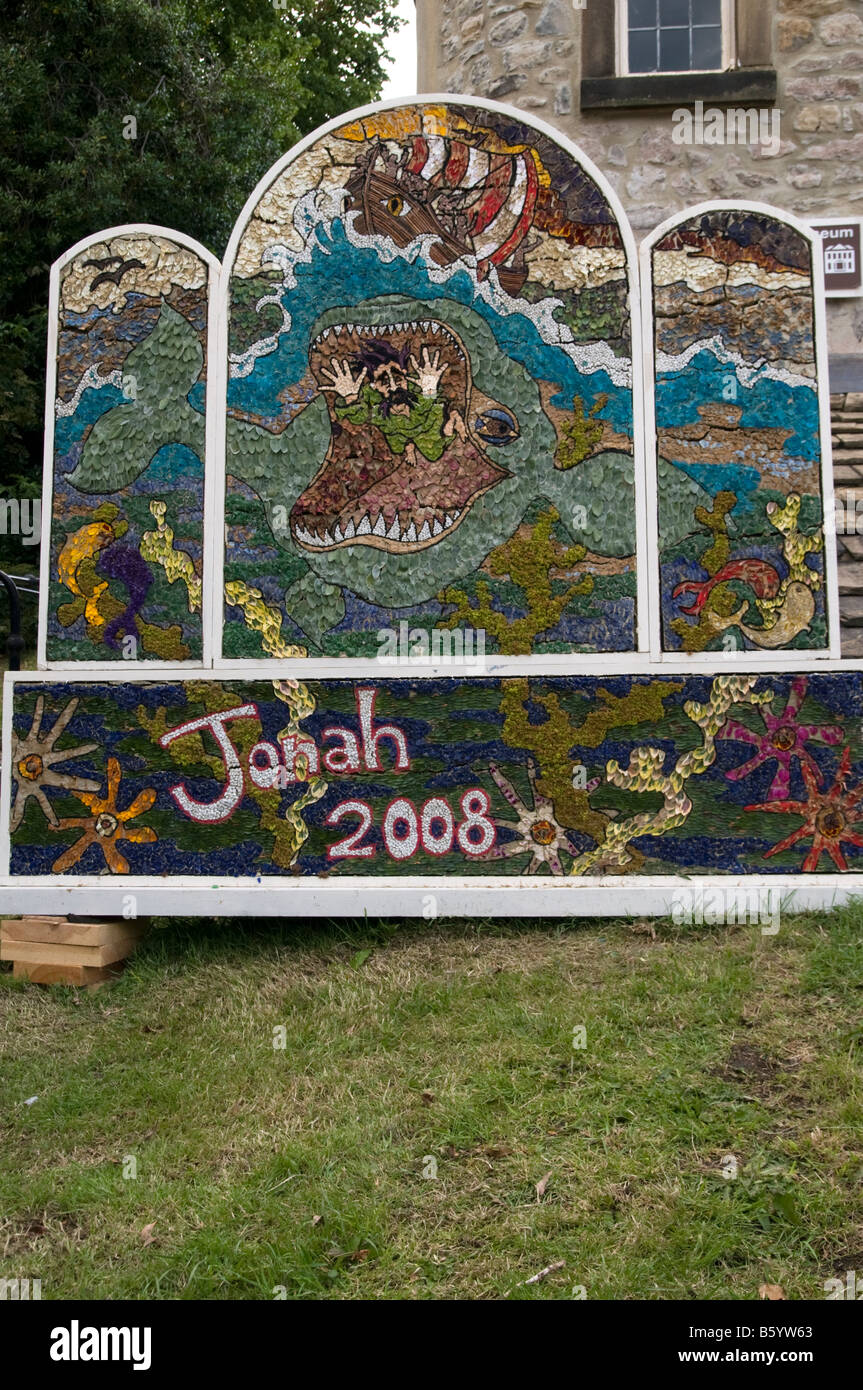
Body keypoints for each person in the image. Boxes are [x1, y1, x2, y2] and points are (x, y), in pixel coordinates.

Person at [319, 337, 466, 465]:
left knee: (433, 453)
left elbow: (431, 403)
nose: (394, 387)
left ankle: (452, 419)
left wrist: (429, 391)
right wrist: (350, 397)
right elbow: (360, 417)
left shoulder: (416, 386)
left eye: (397, 379)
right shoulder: (375, 404)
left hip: (428, 425)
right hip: (397, 434)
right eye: (385, 382)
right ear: (375, 385)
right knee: (398, 447)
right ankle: (410, 447)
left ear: (404, 374)